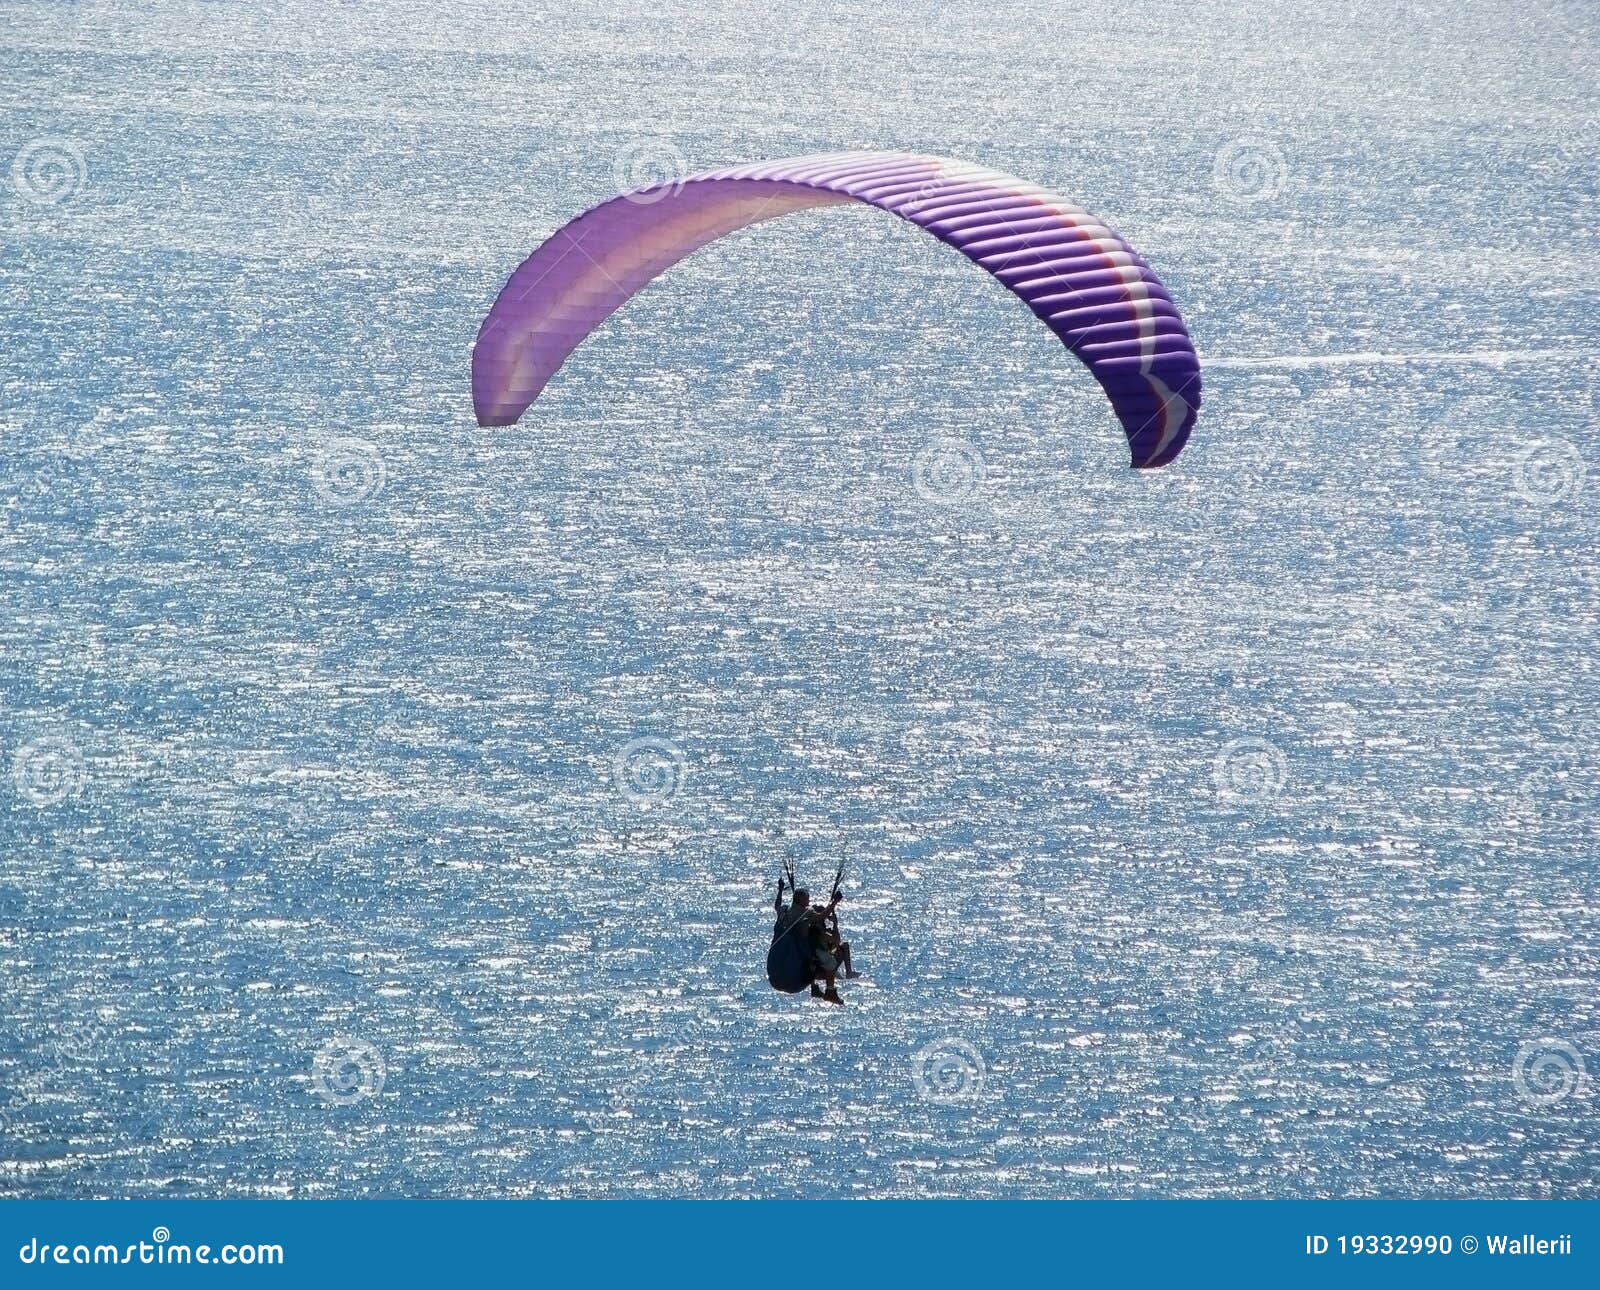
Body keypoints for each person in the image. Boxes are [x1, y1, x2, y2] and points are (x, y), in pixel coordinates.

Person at [771, 883, 858, 1004]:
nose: (809, 900)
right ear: (800, 899)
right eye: (807, 898)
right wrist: (835, 902)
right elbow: (822, 916)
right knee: (830, 961)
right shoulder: (806, 913)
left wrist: (780, 890)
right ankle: (830, 992)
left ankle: (815, 987)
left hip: (788, 951)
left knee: (813, 953)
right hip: (803, 949)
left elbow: (777, 905)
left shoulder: (784, 911)